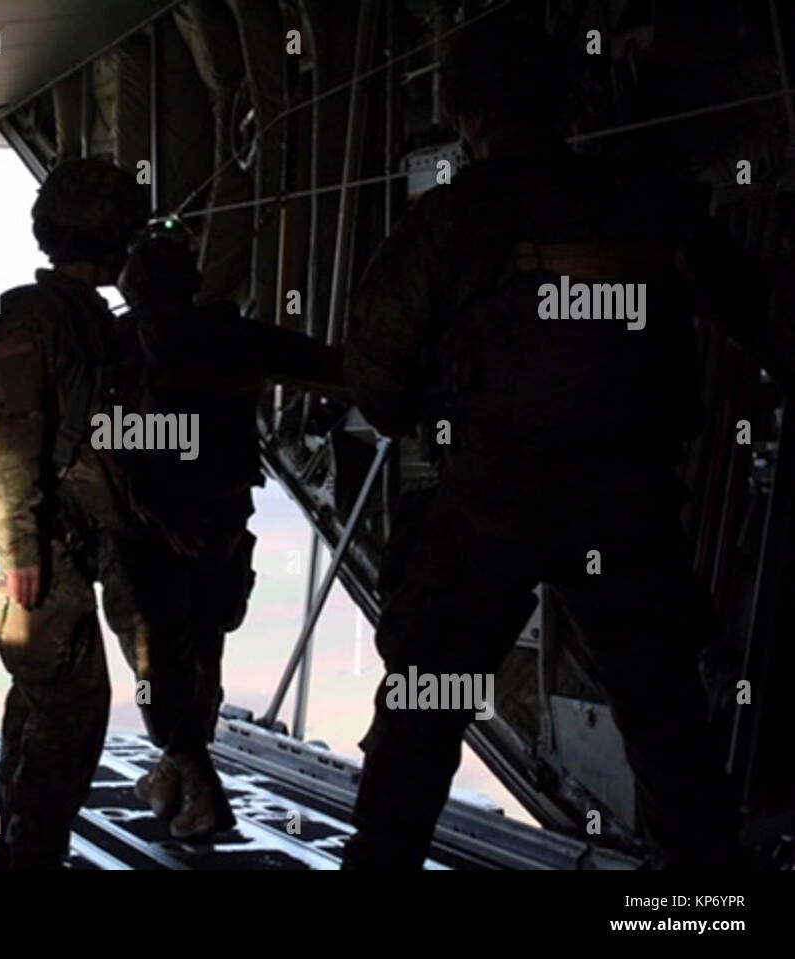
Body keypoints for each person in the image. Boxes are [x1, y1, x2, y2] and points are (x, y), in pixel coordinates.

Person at [340, 14, 743, 870]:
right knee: (665, 719)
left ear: (466, 114)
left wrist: (436, 414)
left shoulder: (448, 222)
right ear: (566, 100)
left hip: (492, 501)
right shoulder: (646, 202)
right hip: (628, 503)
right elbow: (745, 305)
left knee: (425, 711)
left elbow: (376, 380)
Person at [0, 157, 148, 869]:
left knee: (40, 699)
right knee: (71, 711)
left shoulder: (71, 317)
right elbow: (5, 436)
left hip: (61, 536)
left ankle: (16, 841)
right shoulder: (38, 319)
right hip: (37, 542)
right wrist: (17, 546)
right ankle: (30, 852)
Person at [110, 230, 346, 839]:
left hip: (154, 531)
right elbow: (335, 369)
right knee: (202, 654)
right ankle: (174, 773)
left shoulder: (124, 346)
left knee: (157, 663)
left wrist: (158, 510)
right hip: (221, 521)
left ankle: (202, 788)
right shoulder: (233, 337)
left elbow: (110, 441)